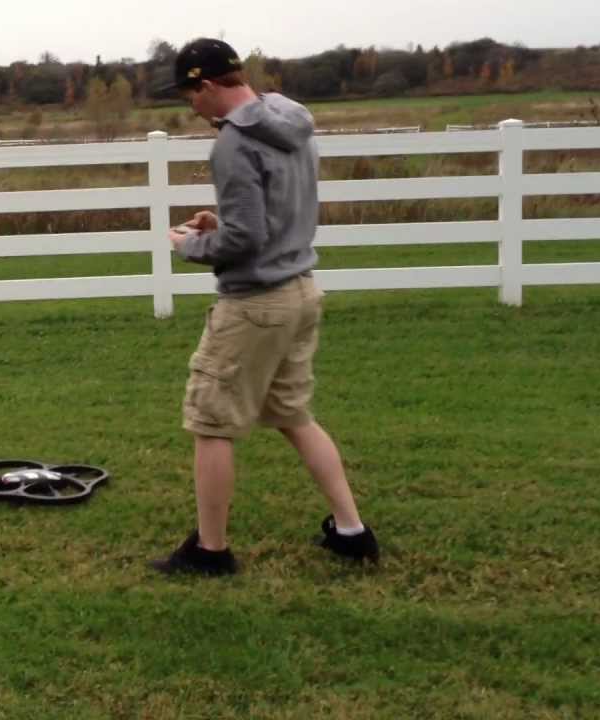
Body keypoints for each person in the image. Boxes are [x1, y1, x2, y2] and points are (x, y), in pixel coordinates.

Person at [150, 38, 380, 576]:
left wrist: (192, 246)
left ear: (207, 85)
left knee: (211, 423)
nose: (190, 106)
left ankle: (210, 552)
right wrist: (223, 224)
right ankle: (351, 532)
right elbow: (270, 215)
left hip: (254, 305)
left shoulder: (232, 145)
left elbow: (246, 241)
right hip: (300, 291)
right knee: (294, 415)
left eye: (190, 94)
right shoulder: (290, 117)